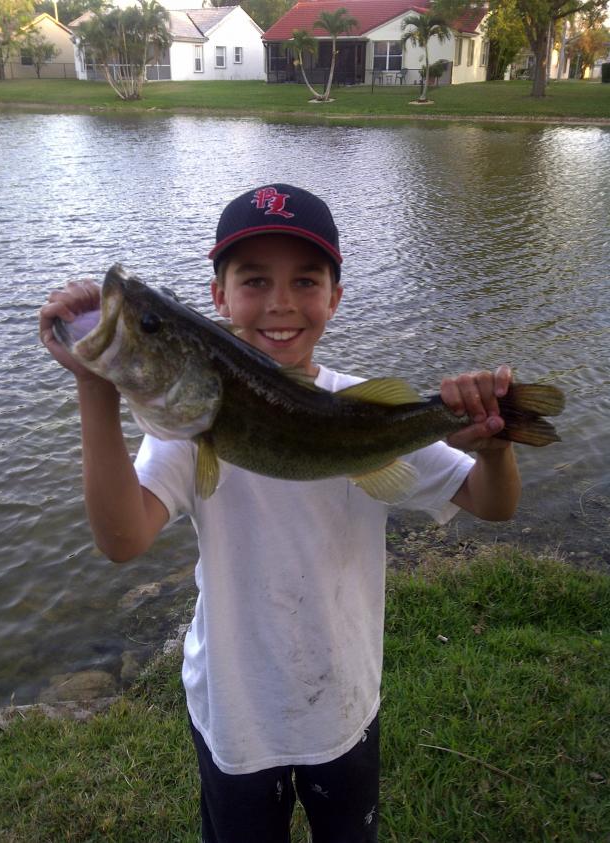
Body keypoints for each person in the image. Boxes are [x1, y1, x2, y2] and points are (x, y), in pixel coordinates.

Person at [39, 183, 521, 842]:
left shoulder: (362, 408)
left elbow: (493, 503)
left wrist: (494, 448)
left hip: (343, 702)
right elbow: (123, 539)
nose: (281, 302)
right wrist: (97, 386)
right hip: (237, 710)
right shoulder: (188, 429)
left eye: (305, 280)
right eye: (255, 280)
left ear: (335, 297)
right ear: (219, 297)